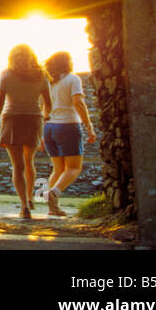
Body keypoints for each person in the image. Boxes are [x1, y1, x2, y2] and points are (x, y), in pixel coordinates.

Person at [0, 44, 51, 220]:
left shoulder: (6, 74)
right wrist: (44, 119)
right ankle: (29, 199)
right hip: (33, 119)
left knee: (18, 166)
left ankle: (24, 206)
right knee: (29, 162)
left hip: (12, 119)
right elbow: (48, 103)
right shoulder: (41, 75)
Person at [41, 50, 96, 216]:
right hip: (68, 125)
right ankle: (54, 192)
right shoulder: (73, 78)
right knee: (73, 168)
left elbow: (44, 107)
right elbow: (78, 102)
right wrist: (89, 126)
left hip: (49, 127)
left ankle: (53, 208)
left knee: (58, 170)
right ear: (68, 62)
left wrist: (42, 134)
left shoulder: (49, 81)